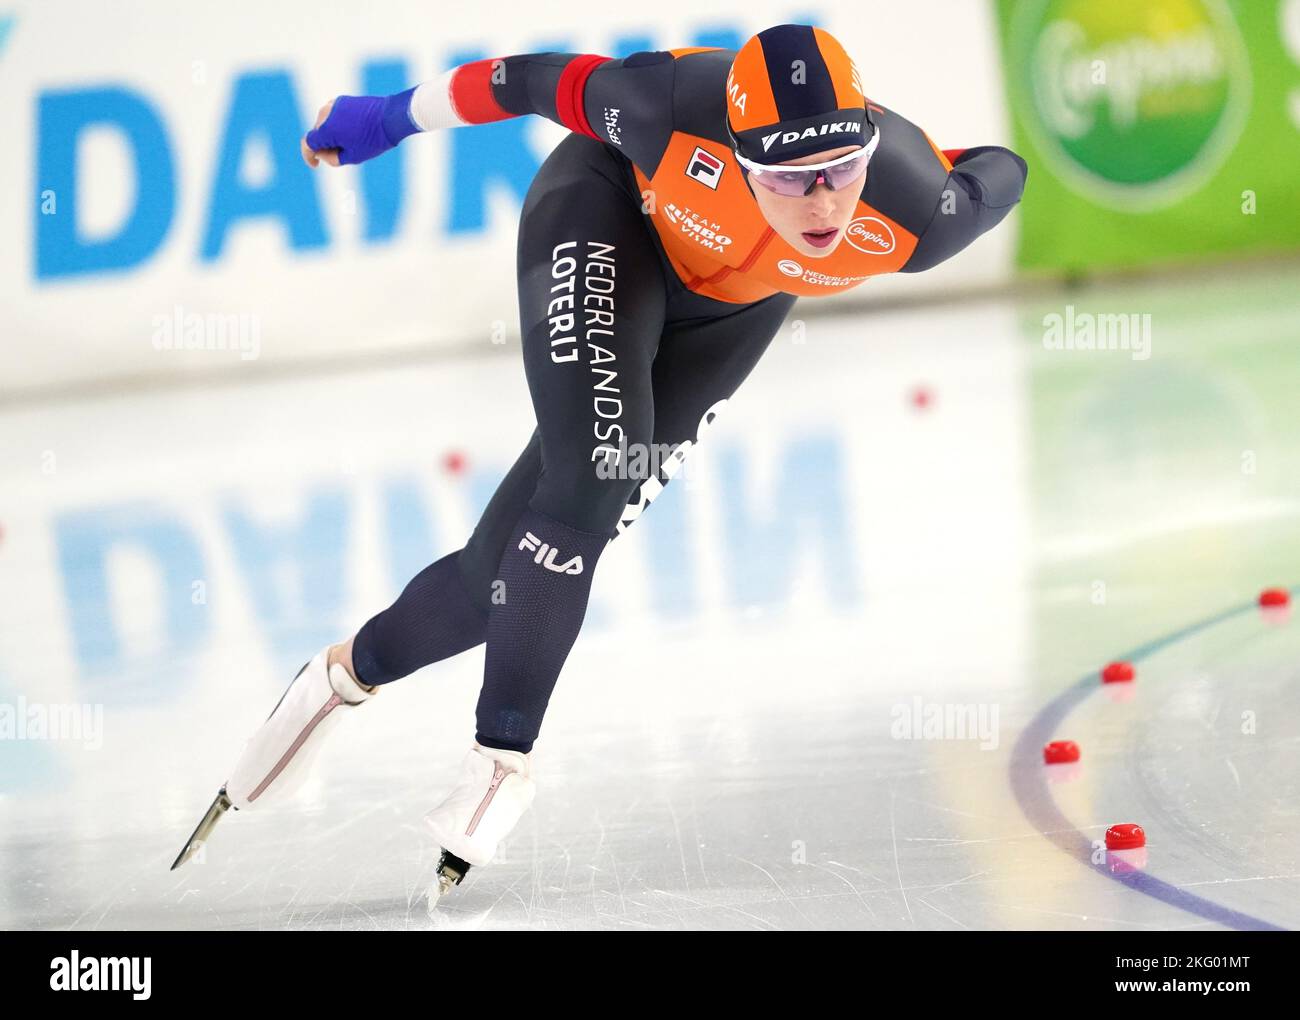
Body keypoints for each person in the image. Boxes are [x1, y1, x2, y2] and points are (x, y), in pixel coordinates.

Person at [173, 24, 1028, 898]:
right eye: (782, 177)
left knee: (493, 581)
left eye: (841, 170)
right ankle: (501, 759)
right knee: (595, 471)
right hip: (607, 215)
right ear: (735, 154)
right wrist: (393, 118)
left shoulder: (919, 216)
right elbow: (522, 80)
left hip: (733, 313)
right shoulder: (660, 109)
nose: (819, 206)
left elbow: (1003, 165)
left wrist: (917, 156)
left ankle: (340, 677)